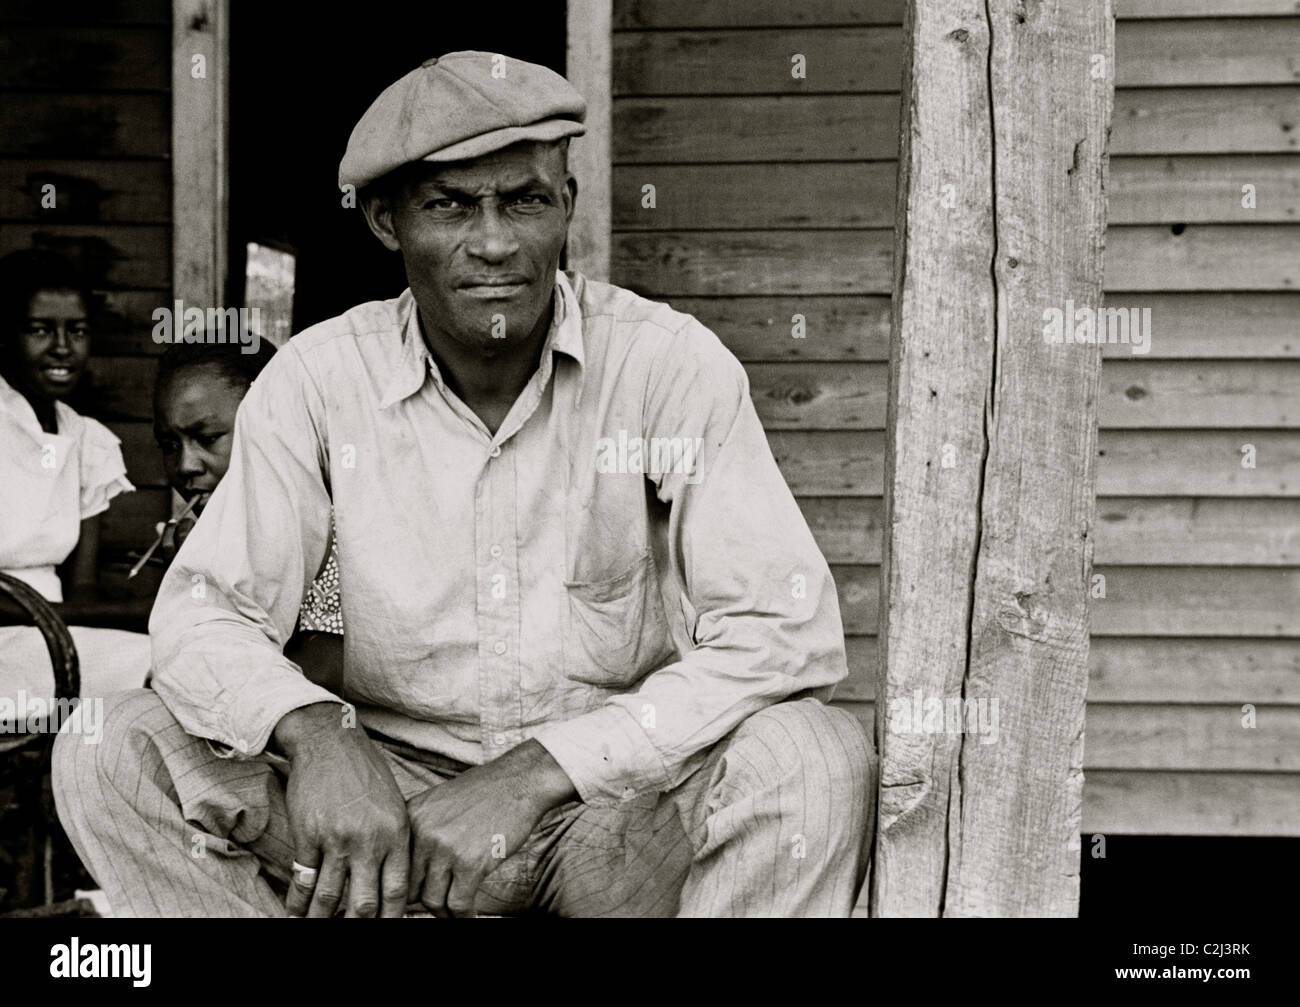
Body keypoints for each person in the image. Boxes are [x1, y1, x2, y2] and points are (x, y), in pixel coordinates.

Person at [54, 52, 877, 918]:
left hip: (609, 817)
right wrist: (318, 733)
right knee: (111, 745)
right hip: (388, 817)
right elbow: (203, 613)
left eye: (523, 199)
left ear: (567, 205)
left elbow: (785, 632)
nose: (494, 242)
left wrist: (538, 772)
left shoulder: (667, 366)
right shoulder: (318, 380)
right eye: (450, 205)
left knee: (814, 757)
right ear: (385, 220)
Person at [0, 249, 151, 714]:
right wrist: (132, 615)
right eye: (40, 329)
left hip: (54, 634)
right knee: (161, 662)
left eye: (78, 331)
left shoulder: (87, 441)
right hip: (8, 644)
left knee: (177, 654)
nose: (63, 347)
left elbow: (81, 587)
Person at [151, 338, 343, 691]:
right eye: (169, 445)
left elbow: (323, 674)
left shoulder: (334, 526)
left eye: (207, 438)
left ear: (271, 424)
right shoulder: (211, 539)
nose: (185, 465)